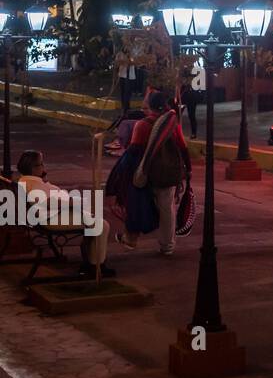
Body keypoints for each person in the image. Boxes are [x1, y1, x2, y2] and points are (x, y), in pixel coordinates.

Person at [112, 91, 191, 255]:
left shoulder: (142, 125)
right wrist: (188, 169)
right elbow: (183, 147)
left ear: (151, 106)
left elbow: (134, 150)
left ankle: (131, 238)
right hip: (168, 172)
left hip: (148, 172)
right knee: (167, 208)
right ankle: (167, 245)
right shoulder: (172, 123)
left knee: (140, 204)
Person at [16, 150, 112, 275]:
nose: (43, 167)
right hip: (52, 218)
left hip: (51, 215)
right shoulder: (33, 184)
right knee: (102, 225)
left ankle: (91, 258)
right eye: (41, 164)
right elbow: (49, 203)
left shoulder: (28, 181)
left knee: (93, 221)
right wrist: (73, 202)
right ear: (33, 168)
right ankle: (96, 265)